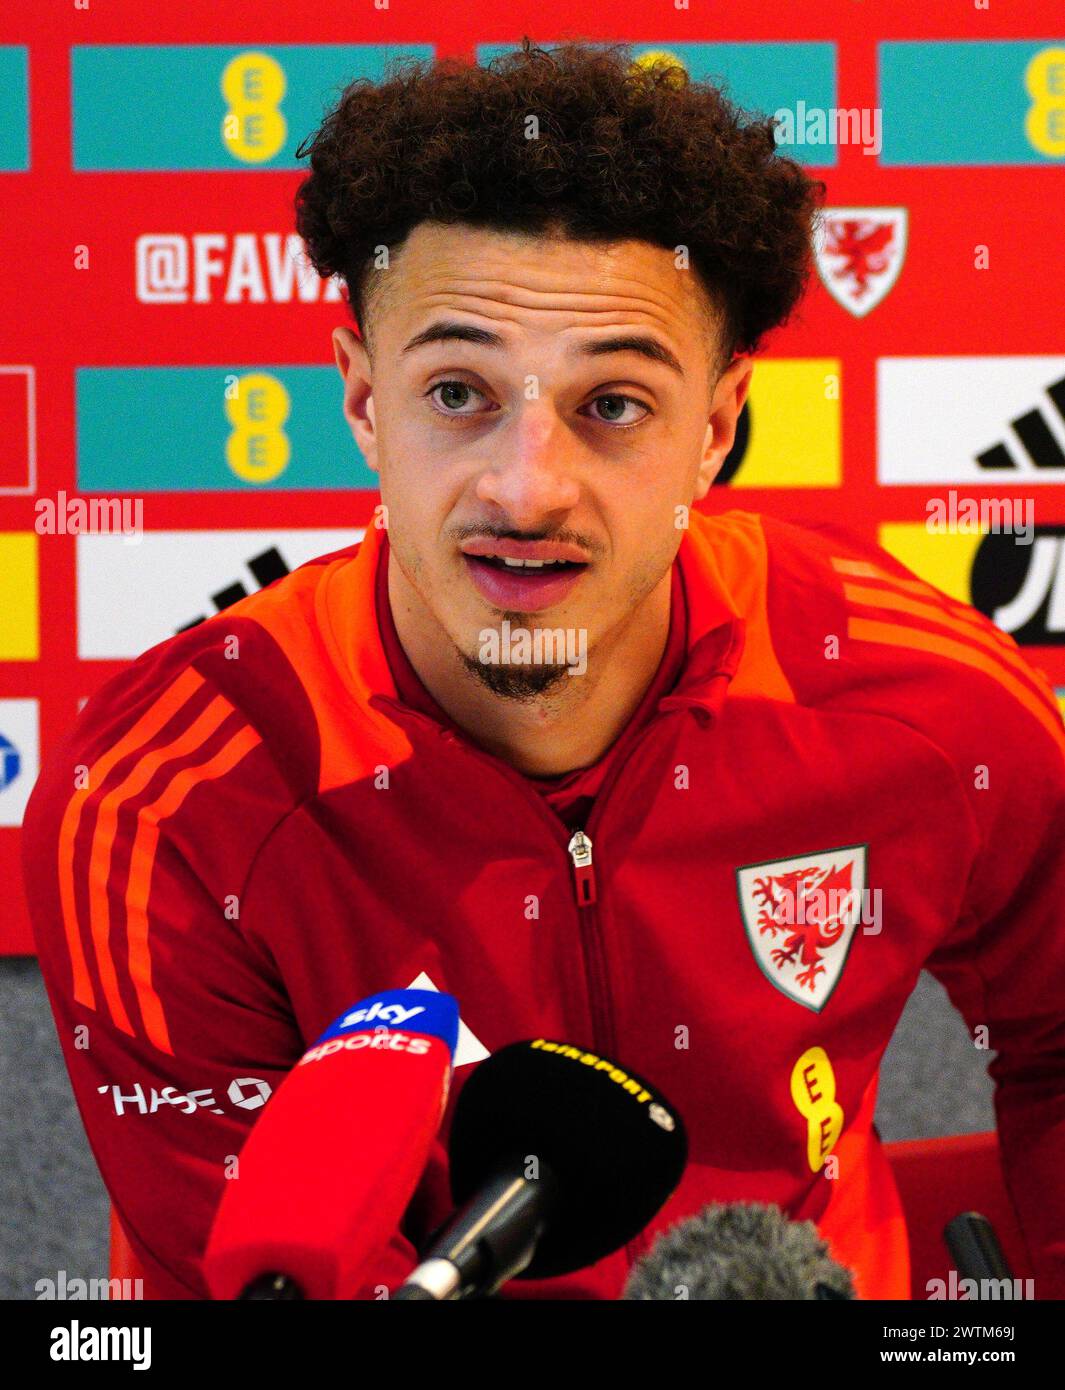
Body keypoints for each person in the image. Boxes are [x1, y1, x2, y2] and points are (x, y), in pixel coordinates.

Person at [23, 39, 1065, 1301]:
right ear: (360, 397)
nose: (528, 485)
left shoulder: (917, 696)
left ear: (718, 429)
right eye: (458, 391)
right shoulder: (160, 806)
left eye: (613, 405)